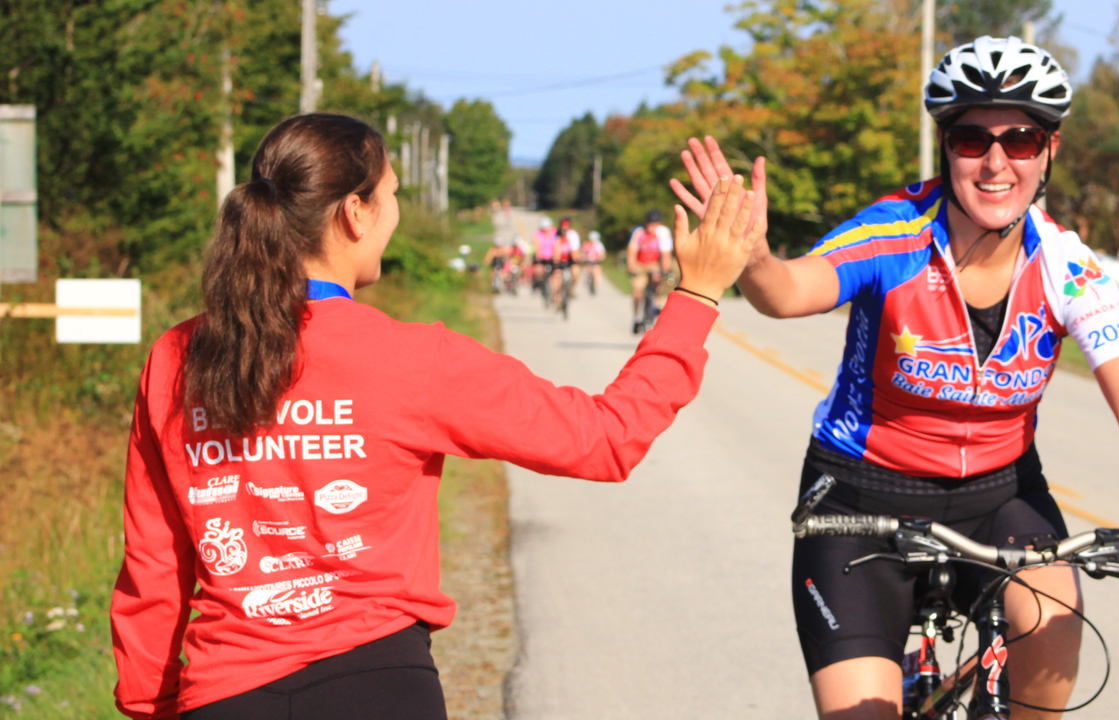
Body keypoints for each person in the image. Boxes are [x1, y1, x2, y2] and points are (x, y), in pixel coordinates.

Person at [110, 112, 757, 720]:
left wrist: (150, 705)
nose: (395, 213)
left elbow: (156, 565)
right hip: (378, 686)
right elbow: (606, 439)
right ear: (355, 213)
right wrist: (698, 293)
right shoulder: (414, 358)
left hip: (223, 694)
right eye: (392, 195)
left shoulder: (175, 358)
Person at [670, 36, 1119, 720]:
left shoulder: (1068, 266)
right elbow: (787, 291)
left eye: (1022, 138)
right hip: (861, 498)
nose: (997, 161)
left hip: (999, 494)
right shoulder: (895, 235)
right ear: (946, 148)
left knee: (1057, 627)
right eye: (972, 139)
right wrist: (754, 258)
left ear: (1050, 151)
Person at [627, 209, 669, 333]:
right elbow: (632, 250)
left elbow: (665, 254)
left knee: (657, 285)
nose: (651, 227)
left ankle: (657, 307)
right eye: (649, 223)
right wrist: (631, 267)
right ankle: (636, 316)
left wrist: (664, 270)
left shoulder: (662, 233)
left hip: (655, 263)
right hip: (640, 264)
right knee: (637, 291)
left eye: (654, 224)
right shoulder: (639, 232)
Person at [581, 230, 607, 295]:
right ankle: (588, 280)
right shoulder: (586, 244)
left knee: (596, 273)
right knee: (588, 271)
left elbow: (603, 253)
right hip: (588, 261)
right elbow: (583, 253)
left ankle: (595, 286)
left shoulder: (599, 244)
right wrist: (583, 257)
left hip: (596, 261)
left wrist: (601, 257)